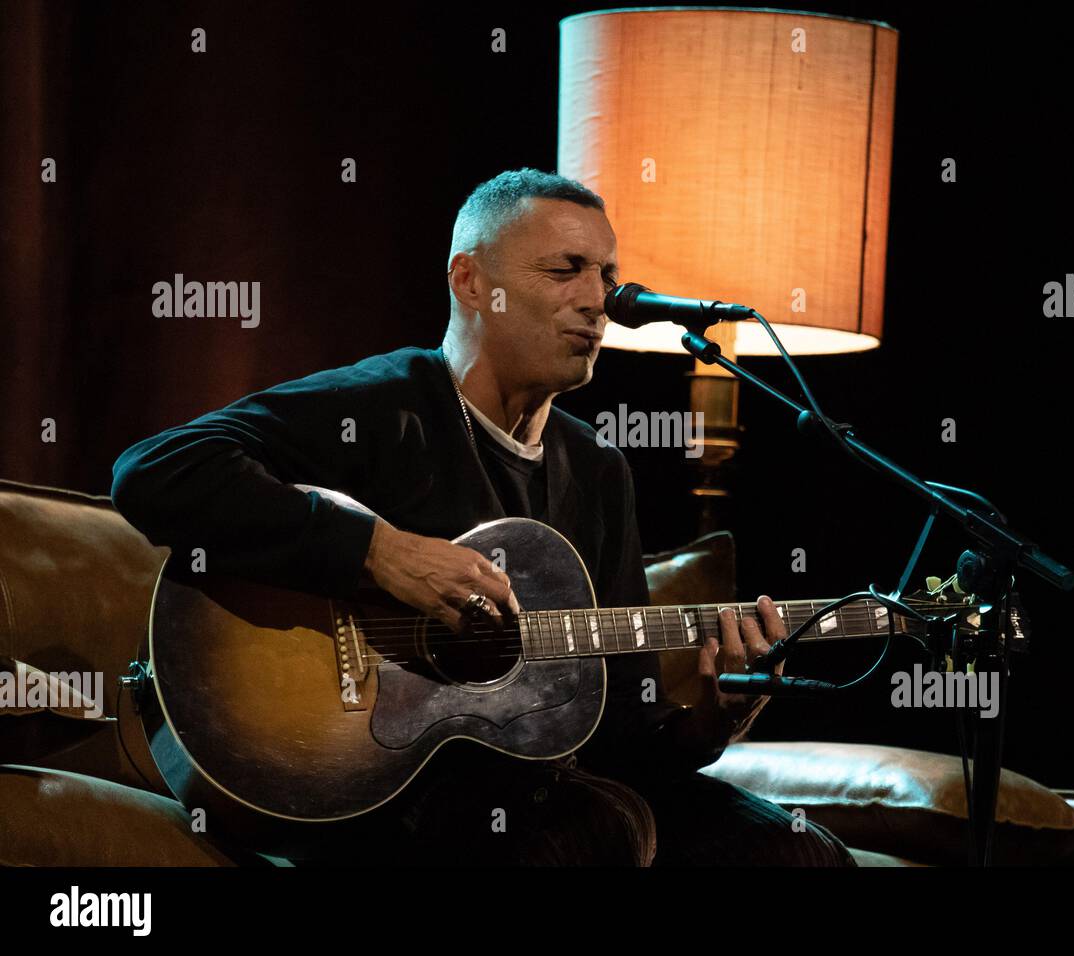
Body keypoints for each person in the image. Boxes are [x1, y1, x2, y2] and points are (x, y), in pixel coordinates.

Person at [111, 167, 856, 866]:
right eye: (566, 270)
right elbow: (153, 471)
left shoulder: (596, 469)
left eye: (608, 276)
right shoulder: (382, 406)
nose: (599, 300)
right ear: (471, 280)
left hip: (542, 791)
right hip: (388, 783)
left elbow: (619, 736)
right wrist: (381, 552)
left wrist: (712, 719)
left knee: (800, 852)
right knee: (585, 836)